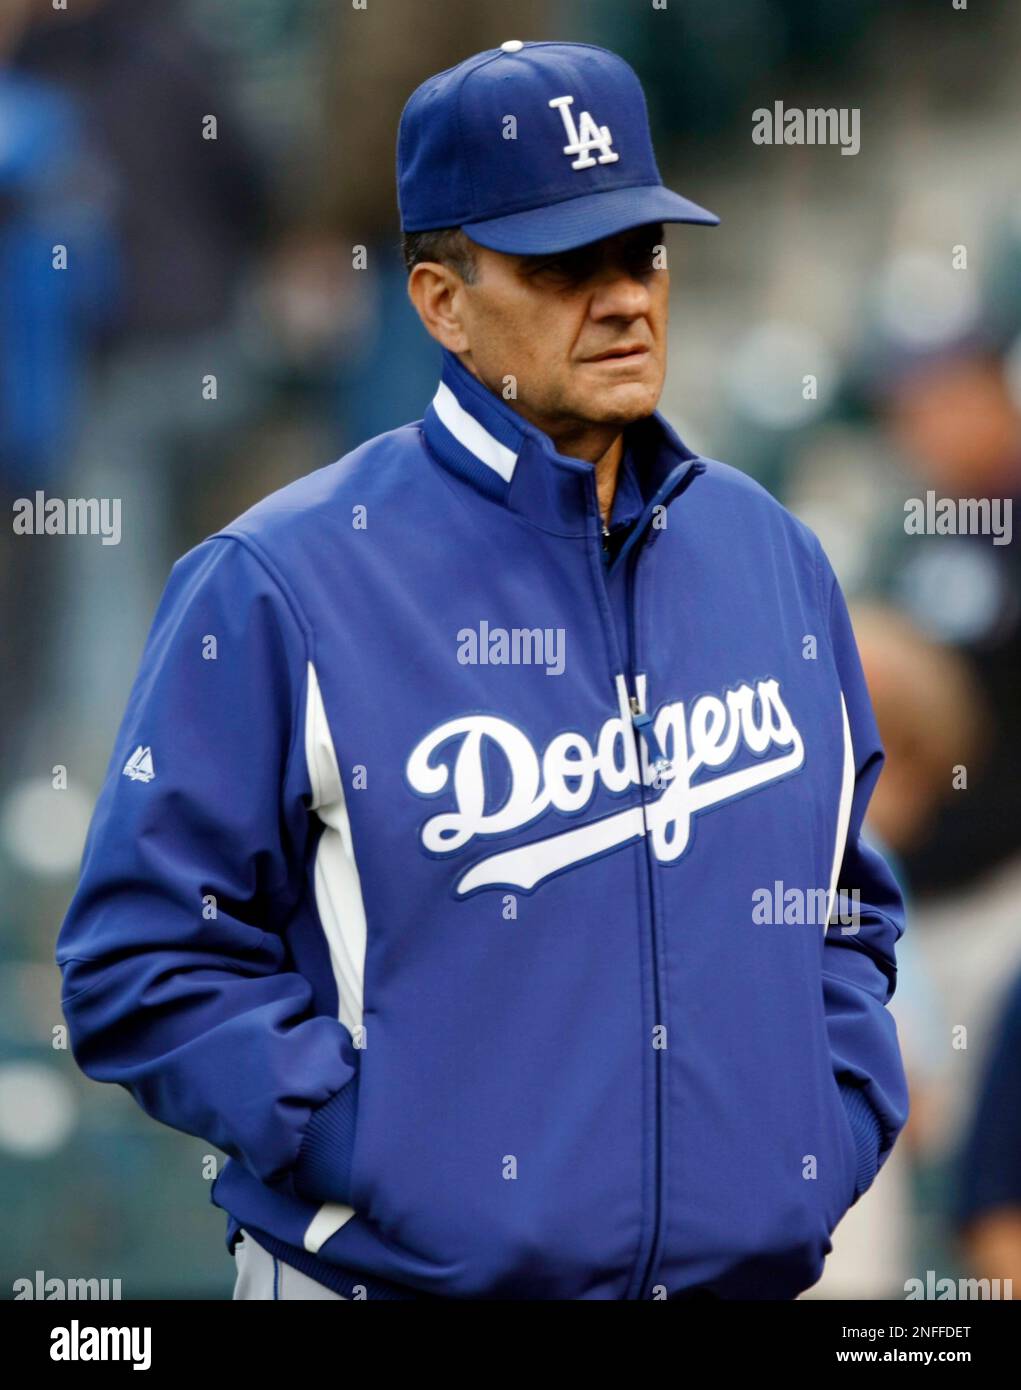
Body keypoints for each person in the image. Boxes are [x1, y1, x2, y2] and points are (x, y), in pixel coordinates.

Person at [56, 39, 909, 1301]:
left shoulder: (767, 553)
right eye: (563, 264)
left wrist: (821, 1126)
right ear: (441, 302)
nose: (622, 297)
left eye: (643, 254)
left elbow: (843, 904)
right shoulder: (281, 577)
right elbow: (137, 961)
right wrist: (376, 1145)